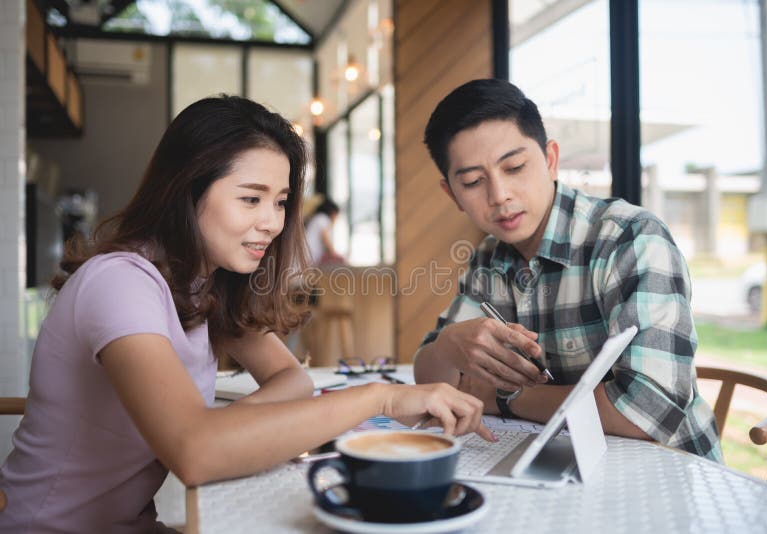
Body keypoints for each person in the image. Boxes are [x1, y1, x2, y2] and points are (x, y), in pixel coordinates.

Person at [0, 95, 491, 533]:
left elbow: (289, 378)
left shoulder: (201, 286)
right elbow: (196, 452)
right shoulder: (121, 282)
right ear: (186, 190)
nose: (272, 222)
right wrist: (379, 398)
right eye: (251, 199)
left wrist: (231, 429)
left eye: (279, 202)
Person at [413, 79, 722, 461]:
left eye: (514, 167)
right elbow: (434, 382)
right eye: (474, 182)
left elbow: (649, 410)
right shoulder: (489, 257)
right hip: (562, 464)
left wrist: (509, 398)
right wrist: (449, 345)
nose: (499, 195)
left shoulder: (630, 238)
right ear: (452, 195)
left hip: (672, 472)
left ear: (551, 160)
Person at [305, 197, 345, 265]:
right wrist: (335, 254)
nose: (336, 219)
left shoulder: (317, 218)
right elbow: (326, 238)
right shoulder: (323, 218)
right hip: (309, 258)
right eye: (336, 216)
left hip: (309, 257)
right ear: (333, 213)